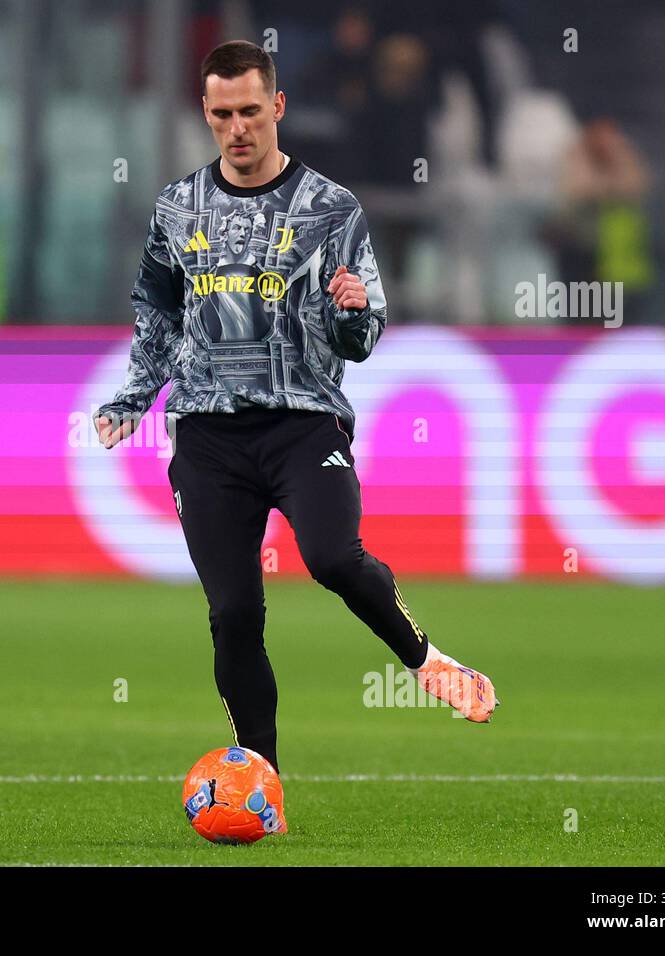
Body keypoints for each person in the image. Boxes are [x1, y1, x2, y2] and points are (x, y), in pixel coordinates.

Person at [95, 41, 498, 786]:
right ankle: (264, 781)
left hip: (303, 422)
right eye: (222, 114)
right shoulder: (176, 207)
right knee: (235, 615)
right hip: (209, 434)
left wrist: (351, 316)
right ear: (207, 114)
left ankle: (424, 660)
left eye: (251, 110)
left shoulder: (331, 208)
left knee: (332, 558)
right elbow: (155, 309)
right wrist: (134, 396)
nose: (238, 127)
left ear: (276, 106)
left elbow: (365, 332)